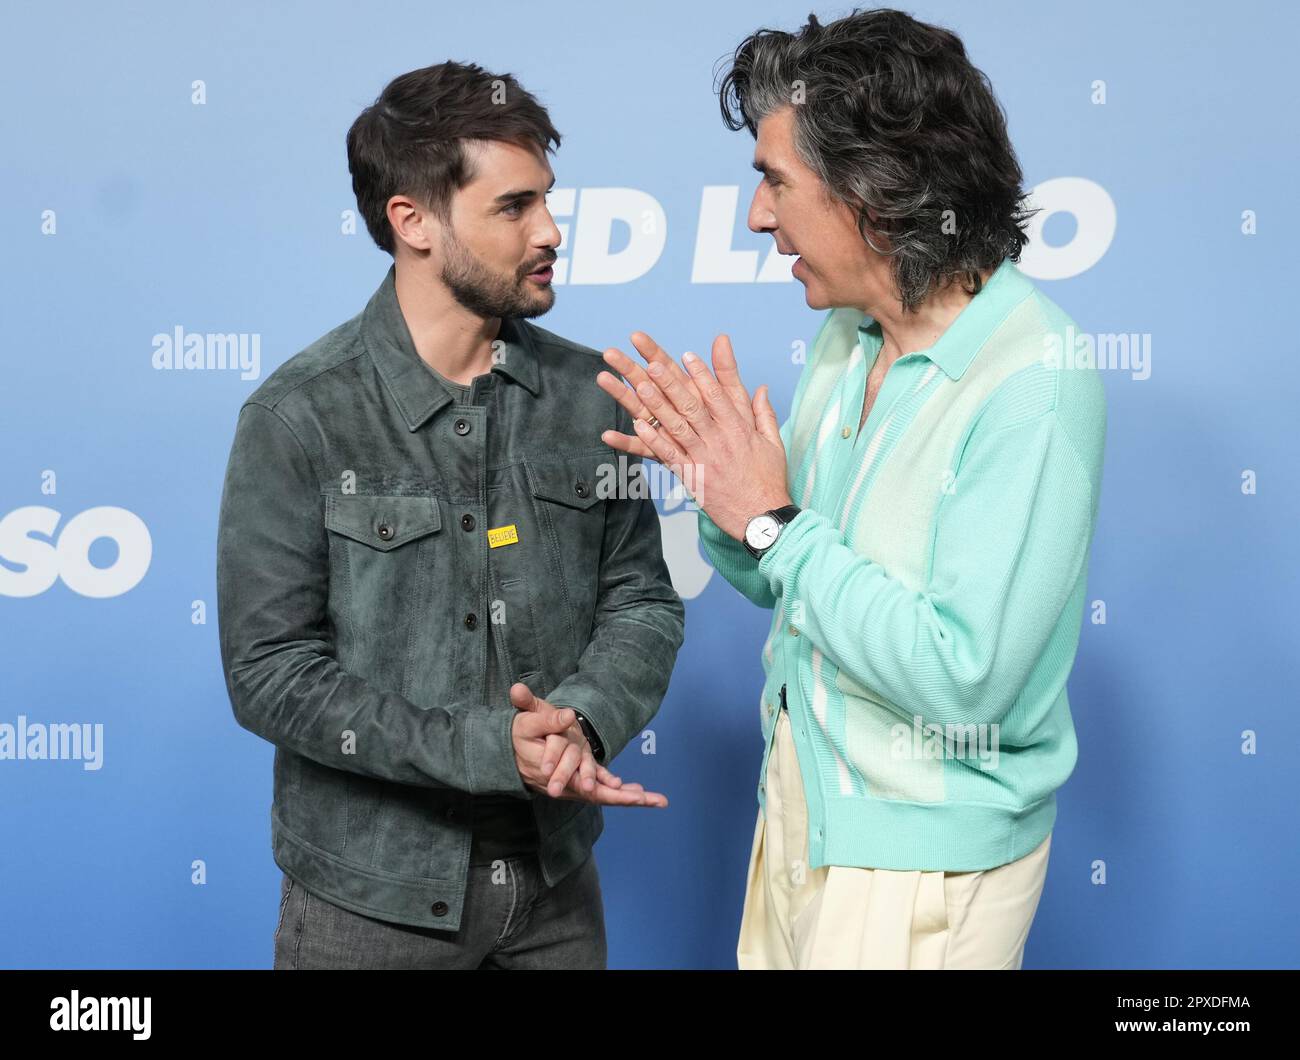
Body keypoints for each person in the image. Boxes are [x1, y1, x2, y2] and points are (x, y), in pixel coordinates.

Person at [597, 8, 1105, 969]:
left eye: (774, 181)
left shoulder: (1035, 376)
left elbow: (967, 681)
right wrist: (728, 501)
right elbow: (779, 572)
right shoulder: (849, 335)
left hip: (920, 865)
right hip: (800, 814)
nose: (755, 215)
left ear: (876, 193)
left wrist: (773, 524)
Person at [216, 60, 684, 970]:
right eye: (514, 207)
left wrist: (580, 724)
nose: (550, 231)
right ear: (414, 221)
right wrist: (486, 747)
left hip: (555, 891)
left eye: (549, 201)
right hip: (366, 908)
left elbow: (644, 602)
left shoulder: (594, 399)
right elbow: (270, 673)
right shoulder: (299, 417)